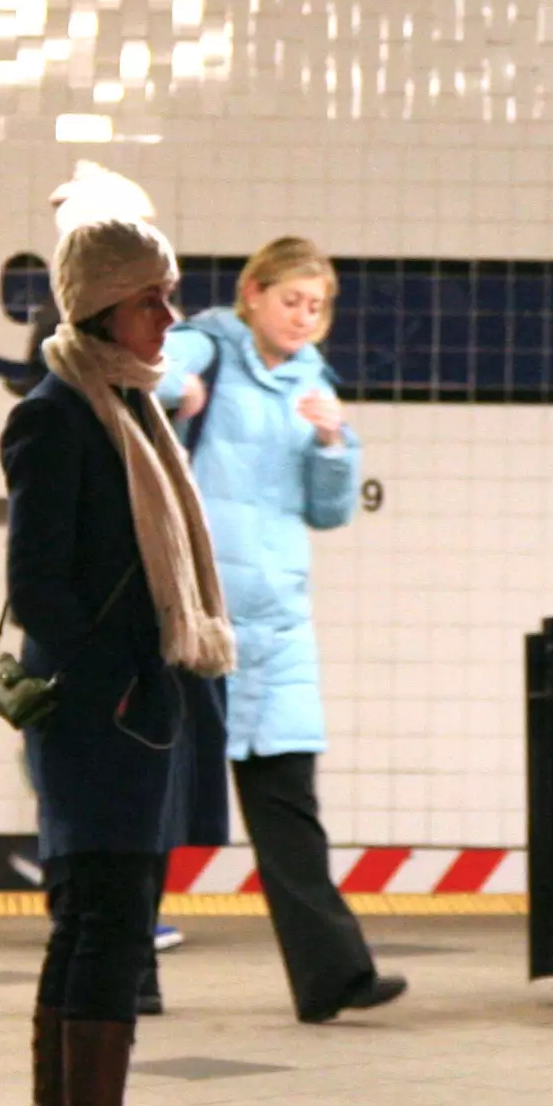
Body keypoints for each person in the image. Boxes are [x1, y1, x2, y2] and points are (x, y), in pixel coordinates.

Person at [3, 210, 235, 1106]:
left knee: (104, 921)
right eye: (155, 297)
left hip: (143, 709)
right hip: (100, 716)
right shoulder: (56, 414)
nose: (170, 314)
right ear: (104, 304)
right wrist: (120, 686)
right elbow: (38, 586)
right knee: (103, 925)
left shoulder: (133, 407)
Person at [159, 237, 408, 1023]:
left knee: (289, 804)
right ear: (254, 295)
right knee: (153, 801)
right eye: (292, 300)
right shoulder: (211, 344)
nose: (305, 318)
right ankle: (126, 973)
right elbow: (143, 376)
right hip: (194, 616)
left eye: (318, 306)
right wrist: (178, 395)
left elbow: (329, 511)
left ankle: (334, 975)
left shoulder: (315, 384)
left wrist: (334, 443)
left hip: (277, 628)